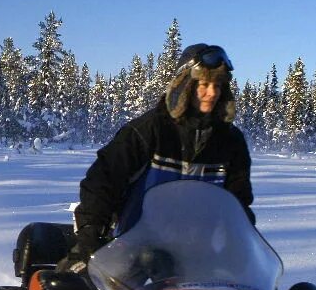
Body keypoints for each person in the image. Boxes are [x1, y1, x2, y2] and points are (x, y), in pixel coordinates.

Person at [59, 43, 254, 274]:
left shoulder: (231, 142)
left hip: (197, 257)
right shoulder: (147, 130)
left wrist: (241, 244)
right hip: (132, 252)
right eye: (203, 84)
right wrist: (90, 233)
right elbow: (103, 181)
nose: (212, 93)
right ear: (186, 86)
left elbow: (238, 202)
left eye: (217, 85)